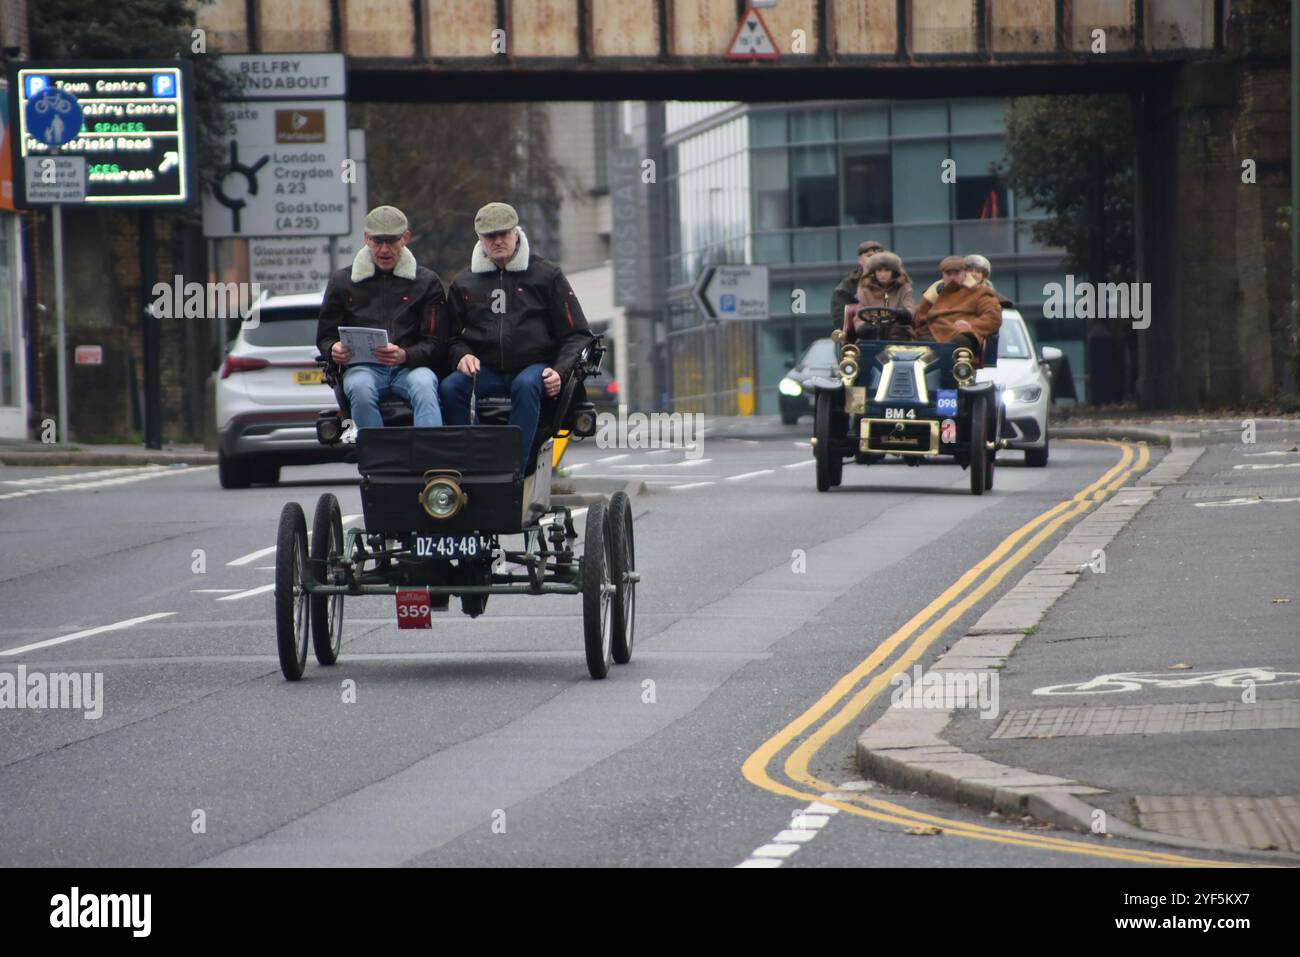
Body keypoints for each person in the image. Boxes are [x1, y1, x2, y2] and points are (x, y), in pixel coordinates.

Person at [441, 202, 594, 468]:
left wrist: (559, 371)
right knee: (450, 387)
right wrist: (462, 354)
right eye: (490, 235)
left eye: (504, 233)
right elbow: (451, 337)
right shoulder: (464, 283)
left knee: (525, 385)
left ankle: (515, 469)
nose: (498, 240)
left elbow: (578, 334)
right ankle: (472, 460)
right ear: (480, 238)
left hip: (534, 367)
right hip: (485, 370)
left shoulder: (547, 276)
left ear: (516, 233)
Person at [316, 205, 447, 430]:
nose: (384, 250)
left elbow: (437, 343)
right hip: (363, 369)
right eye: (378, 241)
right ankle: (375, 456)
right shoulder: (342, 281)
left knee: (424, 385)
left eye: (392, 241)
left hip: (411, 368)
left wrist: (405, 355)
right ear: (367, 238)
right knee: (359, 386)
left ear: (405, 238)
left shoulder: (426, 282)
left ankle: (430, 457)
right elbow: (324, 337)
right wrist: (333, 349)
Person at [913, 255, 1002, 356]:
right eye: (948, 273)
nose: (952, 277)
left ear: (964, 273)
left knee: (960, 343)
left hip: (963, 335)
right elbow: (920, 320)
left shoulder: (980, 292)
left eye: (956, 273)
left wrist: (971, 325)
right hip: (935, 334)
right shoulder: (933, 292)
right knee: (922, 344)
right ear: (943, 274)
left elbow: (993, 317)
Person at [845, 250, 915, 342]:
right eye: (879, 270)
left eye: (887, 270)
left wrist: (902, 313)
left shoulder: (904, 287)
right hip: (873, 336)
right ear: (874, 272)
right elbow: (860, 314)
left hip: (899, 335)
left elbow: (910, 309)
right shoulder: (865, 289)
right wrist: (864, 327)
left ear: (894, 272)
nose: (882, 274)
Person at [829, 239, 885, 334]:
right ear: (860, 260)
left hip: (890, 337)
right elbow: (841, 321)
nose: (874, 259)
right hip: (858, 340)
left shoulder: (895, 283)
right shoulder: (845, 288)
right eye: (869, 256)